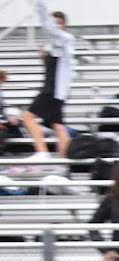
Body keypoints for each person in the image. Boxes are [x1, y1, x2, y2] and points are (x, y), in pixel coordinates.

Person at [19, 0, 74, 160]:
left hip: (52, 90)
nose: (54, 26)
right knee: (58, 127)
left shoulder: (64, 38)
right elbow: (53, 68)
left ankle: (42, 151)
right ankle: (64, 162)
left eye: (58, 23)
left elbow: (46, 23)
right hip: (56, 90)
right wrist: (44, 57)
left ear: (64, 25)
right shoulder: (55, 44)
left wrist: (38, 4)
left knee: (28, 117)